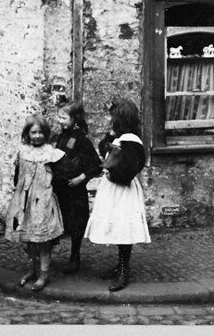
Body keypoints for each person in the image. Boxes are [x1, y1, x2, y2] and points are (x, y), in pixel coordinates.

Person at [85, 98, 151, 292]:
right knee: (117, 227)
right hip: (113, 189)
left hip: (122, 190)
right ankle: (120, 266)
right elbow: (103, 149)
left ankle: (124, 270)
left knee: (124, 229)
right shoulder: (120, 139)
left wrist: (113, 173)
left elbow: (131, 168)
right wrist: (109, 140)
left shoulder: (131, 142)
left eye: (113, 119)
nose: (110, 121)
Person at [5, 114, 65, 291]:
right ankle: (32, 269)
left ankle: (44, 273)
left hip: (43, 201)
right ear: (28, 134)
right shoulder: (23, 152)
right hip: (24, 200)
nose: (37, 136)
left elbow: (61, 175)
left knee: (42, 240)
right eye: (33, 133)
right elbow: (18, 175)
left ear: (46, 134)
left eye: (40, 133)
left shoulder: (51, 153)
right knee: (27, 239)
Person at [51, 100, 102, 275]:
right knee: (58, 220)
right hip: (60, 188)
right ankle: (47, 254)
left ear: (75, 118)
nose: (60, 121)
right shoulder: (60, 137)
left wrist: (81, 177)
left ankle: (75, 256)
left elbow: (95, 165)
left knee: (76, 225)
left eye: (63, 117)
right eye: (59, 117)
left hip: (74, 190)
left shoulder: (81, 140)